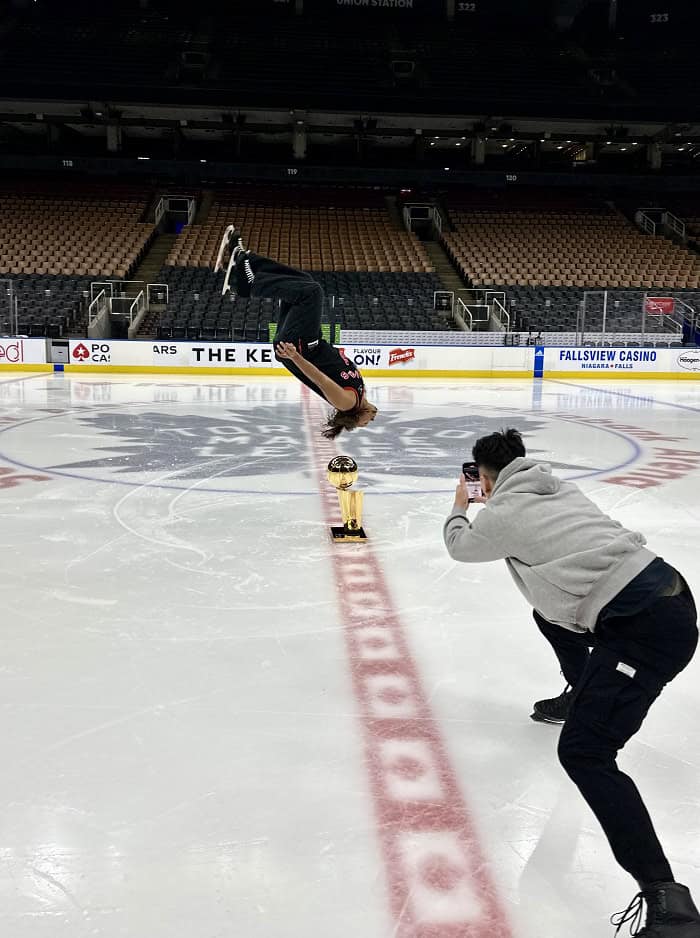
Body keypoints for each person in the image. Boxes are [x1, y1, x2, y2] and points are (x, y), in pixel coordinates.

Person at [442, 428, 699, 937]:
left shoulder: (501, 514)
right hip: (666, 590)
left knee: (585, 753)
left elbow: (459, 547)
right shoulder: (559, 488)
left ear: (485, 478)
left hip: (641, 630)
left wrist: (460, 504)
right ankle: (581, 689)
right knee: (547, 615)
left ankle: (669, 901)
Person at [216, 228, 378, 439]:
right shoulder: (360, 396)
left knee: (311, 292)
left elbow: (320, 379)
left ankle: (247, 284)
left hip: (298, 348)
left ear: (355, 417)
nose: (371, 420)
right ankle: (244, 261)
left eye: (365, 424)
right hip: (307, 342)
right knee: (305, 282)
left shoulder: (347, 403)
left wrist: (295, 356)